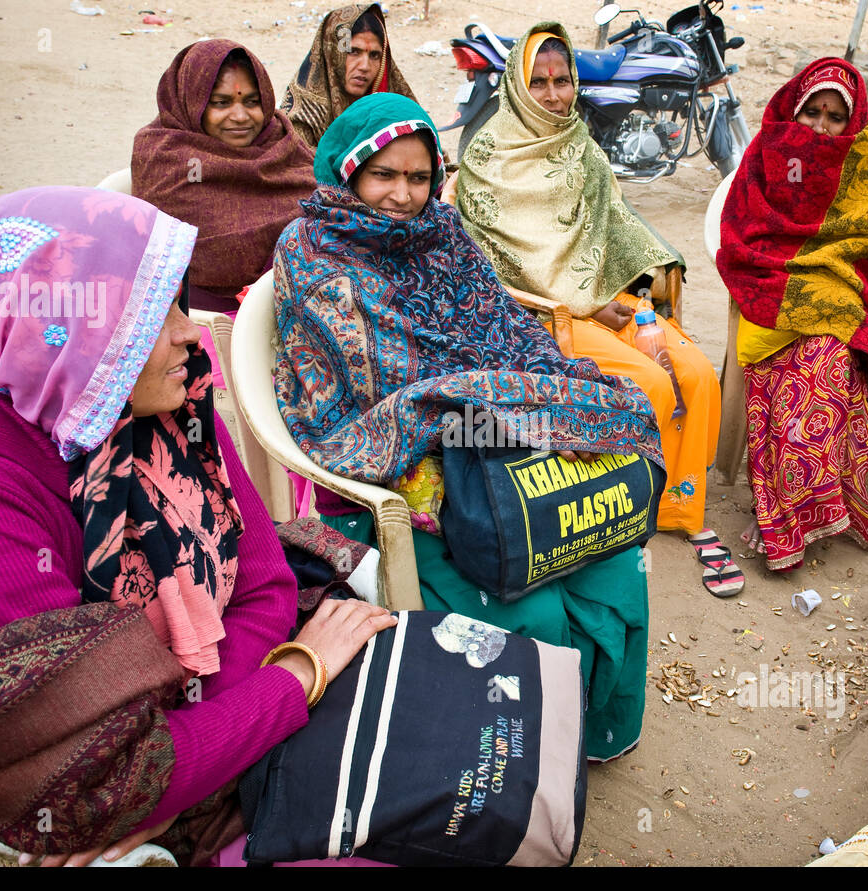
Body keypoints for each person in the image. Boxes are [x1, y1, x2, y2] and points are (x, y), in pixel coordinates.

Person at [0, 185, 396, 865]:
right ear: (59, 336)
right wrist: (297, 675)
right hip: (66, 773)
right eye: (156, 315)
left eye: (180, 304)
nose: (192, 334)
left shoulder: (166, 411)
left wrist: (183, 769)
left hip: (216, 734)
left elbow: (266, 587)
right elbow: (106, 775)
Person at [272, 92, 664, 761]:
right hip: (405, 474)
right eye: (384, 175)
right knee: (527, 609)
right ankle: (513, 759)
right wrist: (495, 408)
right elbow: (364, 388)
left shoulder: (444, 233)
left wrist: (538, 401)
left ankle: (592, 736)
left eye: (419, 176)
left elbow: (505, 329)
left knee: (614, 568)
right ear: (348, 173)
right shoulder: (312, 252)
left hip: (498, 443)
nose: (402, 194)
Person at [455, 23, 734, 597]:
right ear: (516, 84)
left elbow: (617, 229)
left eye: (562, 81)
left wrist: (642, 295)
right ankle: (636, 509)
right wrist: (586, 301)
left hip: (610, 298)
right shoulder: (487, 159)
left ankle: (681, 510)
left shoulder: (581, 146)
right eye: (539, 81)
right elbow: (495, 266)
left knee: (700, 377)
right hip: (545, 318)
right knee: (653, 387)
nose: (554, 95)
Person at [716, 58, 868, 574]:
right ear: (797, 107)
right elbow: (741, 229)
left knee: (854, 353)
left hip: (850, 283)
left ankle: (852, 505)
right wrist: (798, 265)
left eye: (835, 116)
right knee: (824, 357)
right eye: (813, 111)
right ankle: (787, 516)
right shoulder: (769, 149)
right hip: (775, 277)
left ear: (851, 120)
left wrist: (843, 273)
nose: (821, 127)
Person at [131, 39, 316, 385]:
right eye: (221, 103)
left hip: (301, 314)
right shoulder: (164, 156)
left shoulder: (283, 143)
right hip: (199, 325)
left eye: (251, 101)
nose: (241, 116)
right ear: (193, 103)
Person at [281, 3, 417, 152]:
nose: (365, 66)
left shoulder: (394, 106)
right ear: (332, 53)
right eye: (353, 51)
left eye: (374, 55)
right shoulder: (303, 115)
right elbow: (296, 167)